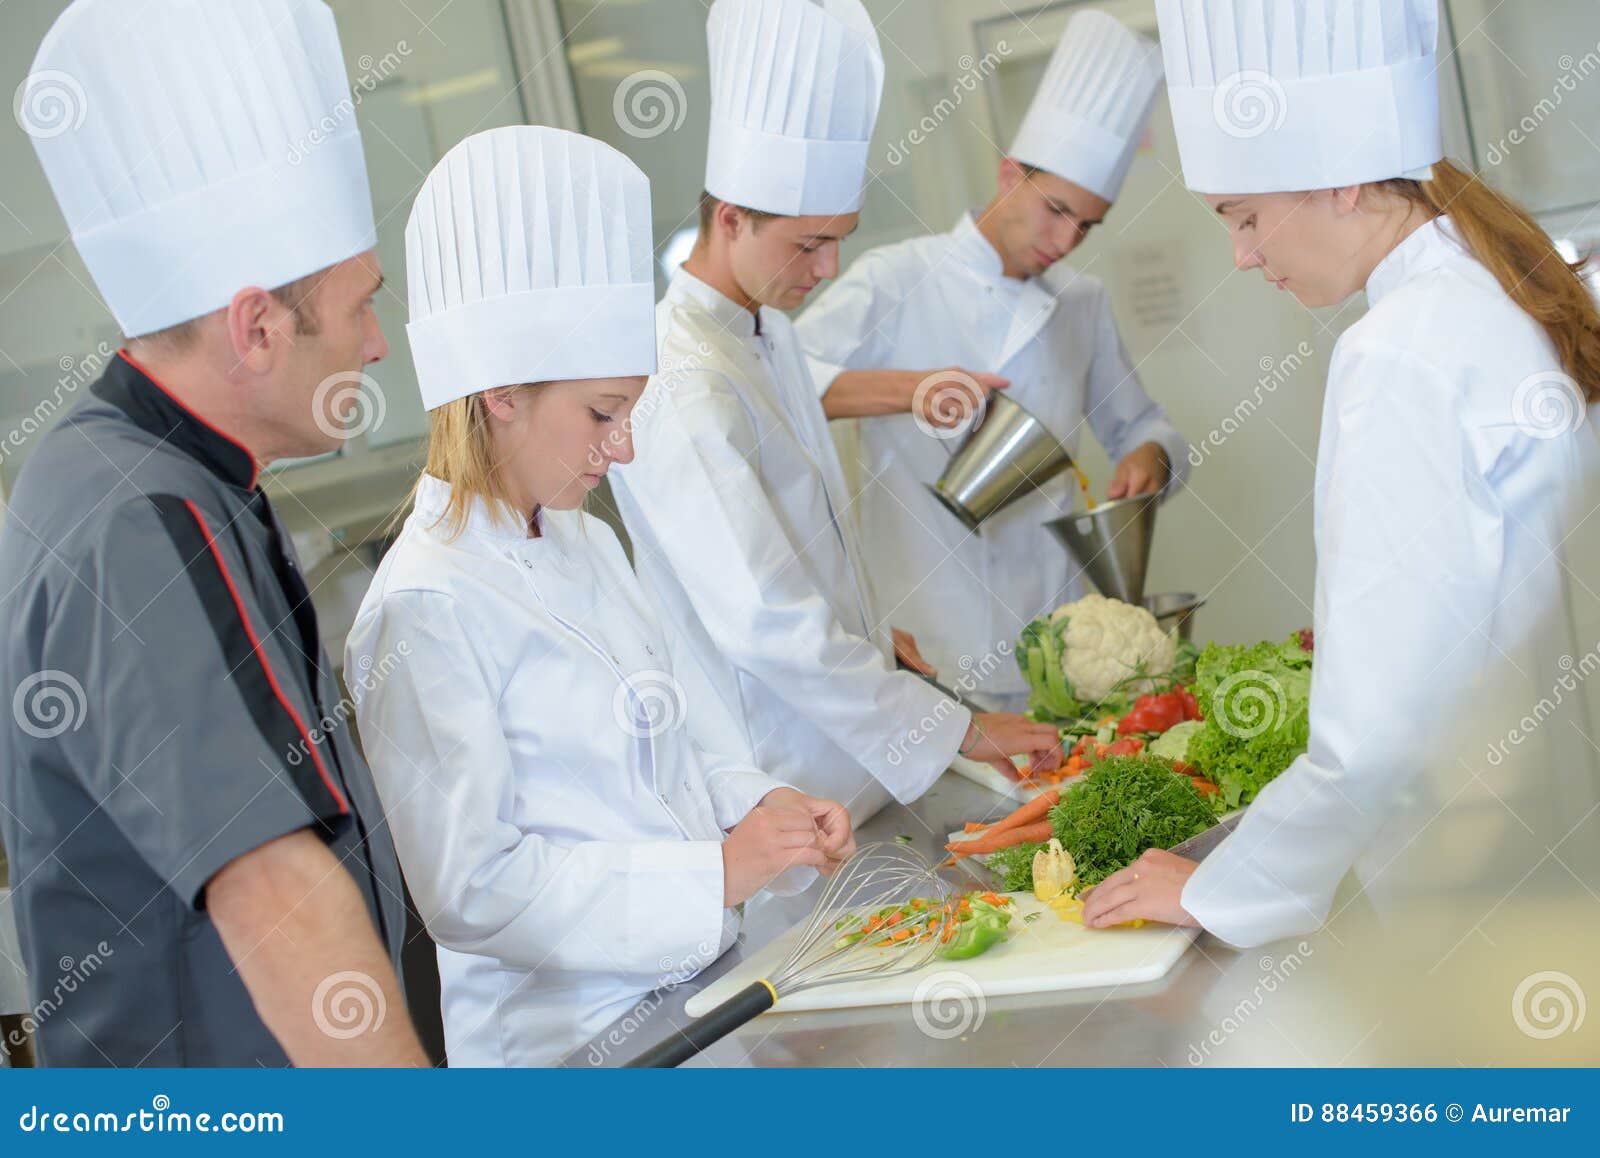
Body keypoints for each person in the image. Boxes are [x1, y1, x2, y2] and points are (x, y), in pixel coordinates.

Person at [1082, 0, 1600, 945]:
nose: (1241, 257)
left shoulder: (1397, 351)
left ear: (1340, 185)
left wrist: (1222, 887)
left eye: (1242, 218)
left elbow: (1380, 730)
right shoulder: (1482, 292)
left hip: (1479, 864)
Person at [346, 125, 854, 1068]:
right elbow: (471, 889)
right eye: (605, 414)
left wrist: (764, 807)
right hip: (563, 1053)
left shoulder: (584, 540)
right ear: (499, 393)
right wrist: (713, 874)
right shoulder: (424, 605)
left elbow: (688, 750)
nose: (620, 450)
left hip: (699, 1004)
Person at [0, 0, 423, 1065]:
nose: (377, 344)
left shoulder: (121, 465)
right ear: (255, 325)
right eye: (361, 305)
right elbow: (271, 886)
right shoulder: (146, 519)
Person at [610, 0, 1063, 825]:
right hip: (780, 782)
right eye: (809, 244)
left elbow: (807, 542)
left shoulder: (767, 334)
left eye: (840, 238)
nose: (830, 267)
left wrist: (875, 633)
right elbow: (765, 620)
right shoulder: (681, 382)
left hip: (852, 759)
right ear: (730, 219)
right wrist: (951, 727)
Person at [797, 10, 1190, 708]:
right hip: (933, 623)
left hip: (1060, 625)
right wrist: (915, 389)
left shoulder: (1081, 301)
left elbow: (1143, 425)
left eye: (1087, 225)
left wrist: (1151, 461)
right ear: (1010, 174)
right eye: (1055, 209)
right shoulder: (896, 277)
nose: (1066, 239)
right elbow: (788, 380)